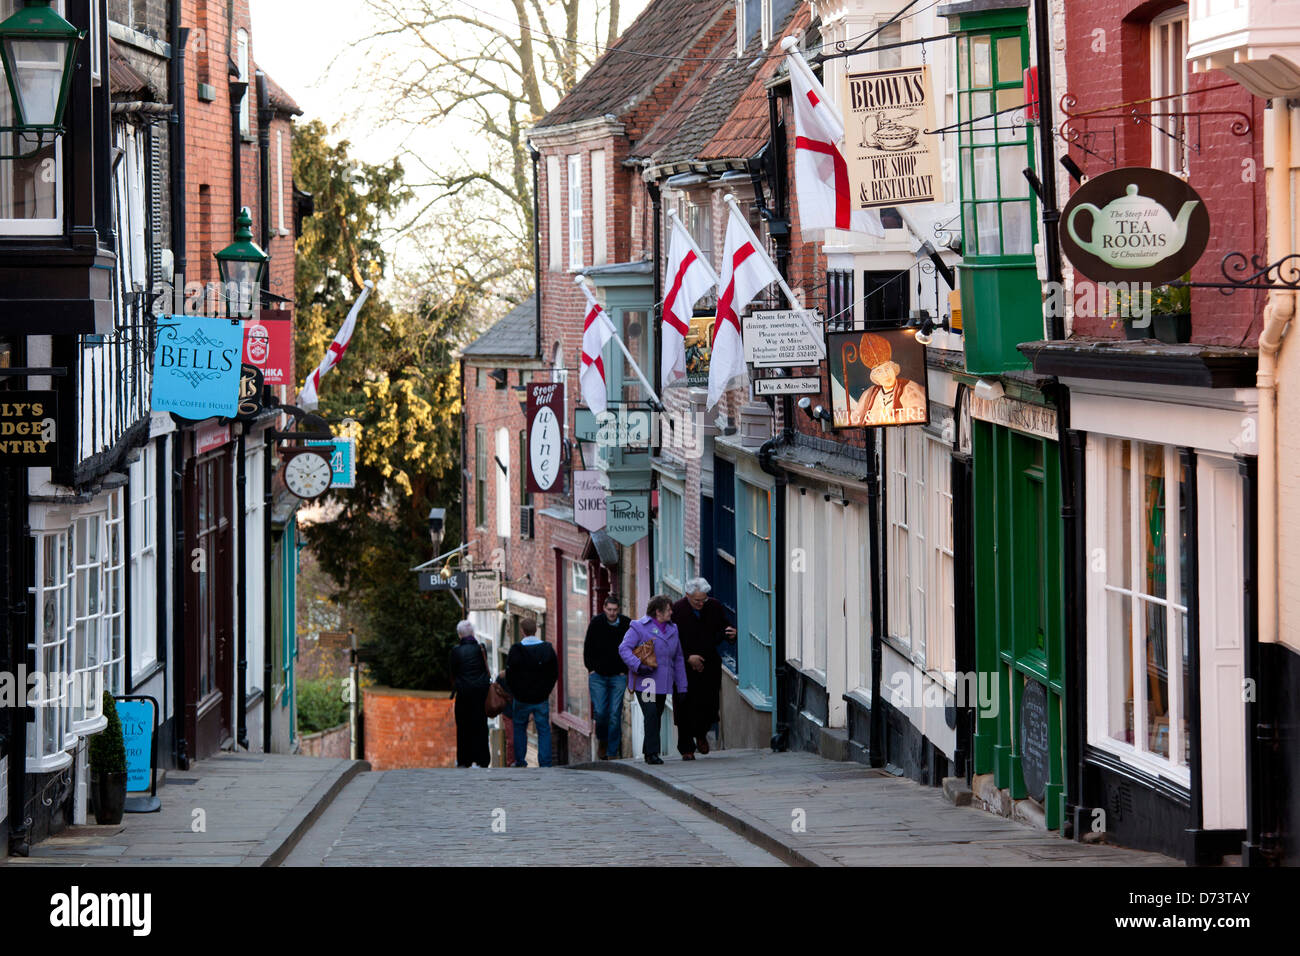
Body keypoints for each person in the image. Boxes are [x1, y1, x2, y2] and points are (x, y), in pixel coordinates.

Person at [619, 595, 688, 765]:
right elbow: (624, 648)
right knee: (650, 714)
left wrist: (682, 686)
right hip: (646, 682)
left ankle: (648, 750)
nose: (672, 612)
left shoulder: (673, 629)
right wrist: (638, 665)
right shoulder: (638, 627)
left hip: (663, 683)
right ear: (658, 612)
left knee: (655, 715)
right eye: (668, 609)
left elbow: (678, 658)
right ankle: (652, 753)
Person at [672, 578, 735, 758]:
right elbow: (670, 641)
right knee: (684, 705)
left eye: (703, 600)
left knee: (708, 704)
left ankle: (701, 734)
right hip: (683, 664)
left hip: (708, 663)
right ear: (687, 595)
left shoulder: (713, 606)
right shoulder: (677, 610)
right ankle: (686, 748)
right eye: (696, 600)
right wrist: (687, 657)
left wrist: (731, 634)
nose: (700, 603)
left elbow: (725, 628)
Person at [504, 617, 557, 767]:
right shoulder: (547, 649)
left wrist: (516, 692)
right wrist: (546, 690)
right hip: (541, 698)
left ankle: (520, 761)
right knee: (544, 729)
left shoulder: (516, 650)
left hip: (521, 699)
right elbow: (554, 673)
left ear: (522, 631)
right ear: (536, 630)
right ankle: (545, 763)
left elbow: (510, 675)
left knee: (520, 728)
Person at [584, 595, 631, 760]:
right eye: (609, 610)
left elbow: (634, 645)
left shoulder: (626, 624)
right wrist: (591, 669)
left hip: (618, 676)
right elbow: (588, 647)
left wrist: (625, 669)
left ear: (619, 610)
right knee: (601, 712)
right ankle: (602, 740)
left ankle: (612, 752)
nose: (612, 613)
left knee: (614, 714)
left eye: (614, 610)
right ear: (604, 608)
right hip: (598, 676)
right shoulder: (596, 623)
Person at [448, 619, 491, 768]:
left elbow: (453, 673)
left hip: (464, 694)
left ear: (460, 635)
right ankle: (482, 759)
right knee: (480, 725)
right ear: (472, 633)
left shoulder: (455, 651)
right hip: (481, 693)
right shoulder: (481, 648)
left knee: (464, 727)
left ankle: (464, 759)